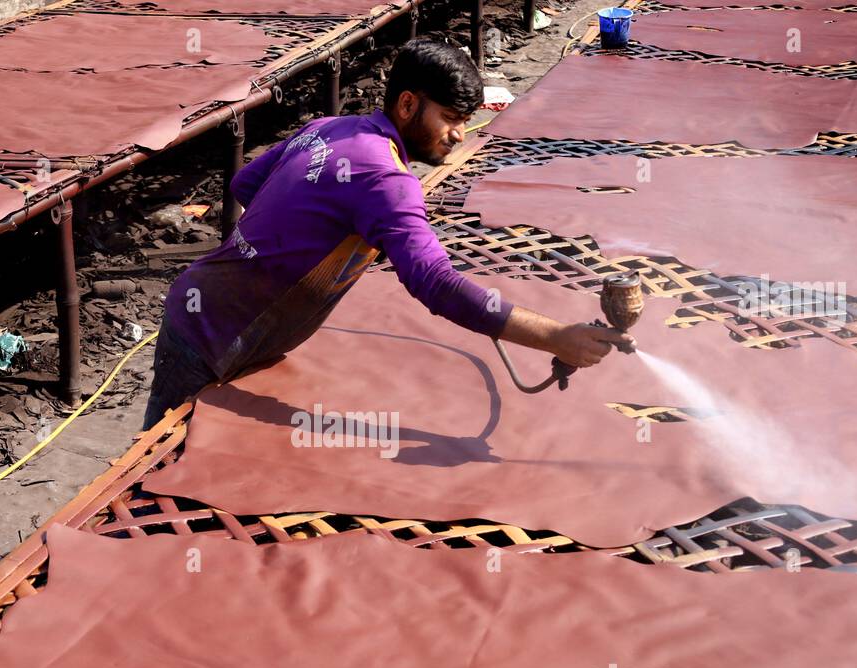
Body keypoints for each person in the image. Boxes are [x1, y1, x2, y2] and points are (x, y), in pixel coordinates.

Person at [142, 37, 633, 428]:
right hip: (209, 336)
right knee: (164, 464)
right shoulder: (386, 181)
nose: (459, 134)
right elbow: (436, 284)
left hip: (205, 304)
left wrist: (298, 233)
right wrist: (556, 338)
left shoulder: (331, 127)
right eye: (451, 119)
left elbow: (245, 182)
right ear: (406, 104)